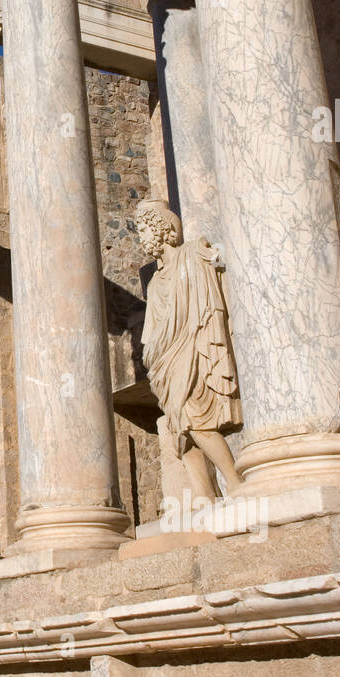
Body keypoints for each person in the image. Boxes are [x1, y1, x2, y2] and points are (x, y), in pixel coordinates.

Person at [136, 199, 243, 498]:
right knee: (179, 430)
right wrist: (151, 357)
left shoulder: (192, 254)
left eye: (144, 228)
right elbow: (152, 331)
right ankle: (203, 495)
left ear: (161, 229)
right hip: (165, 361)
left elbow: (218, 266)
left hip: (191, 350)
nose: (142, 236)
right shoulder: (156, 283)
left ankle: (234, 481)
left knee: (195, 420)